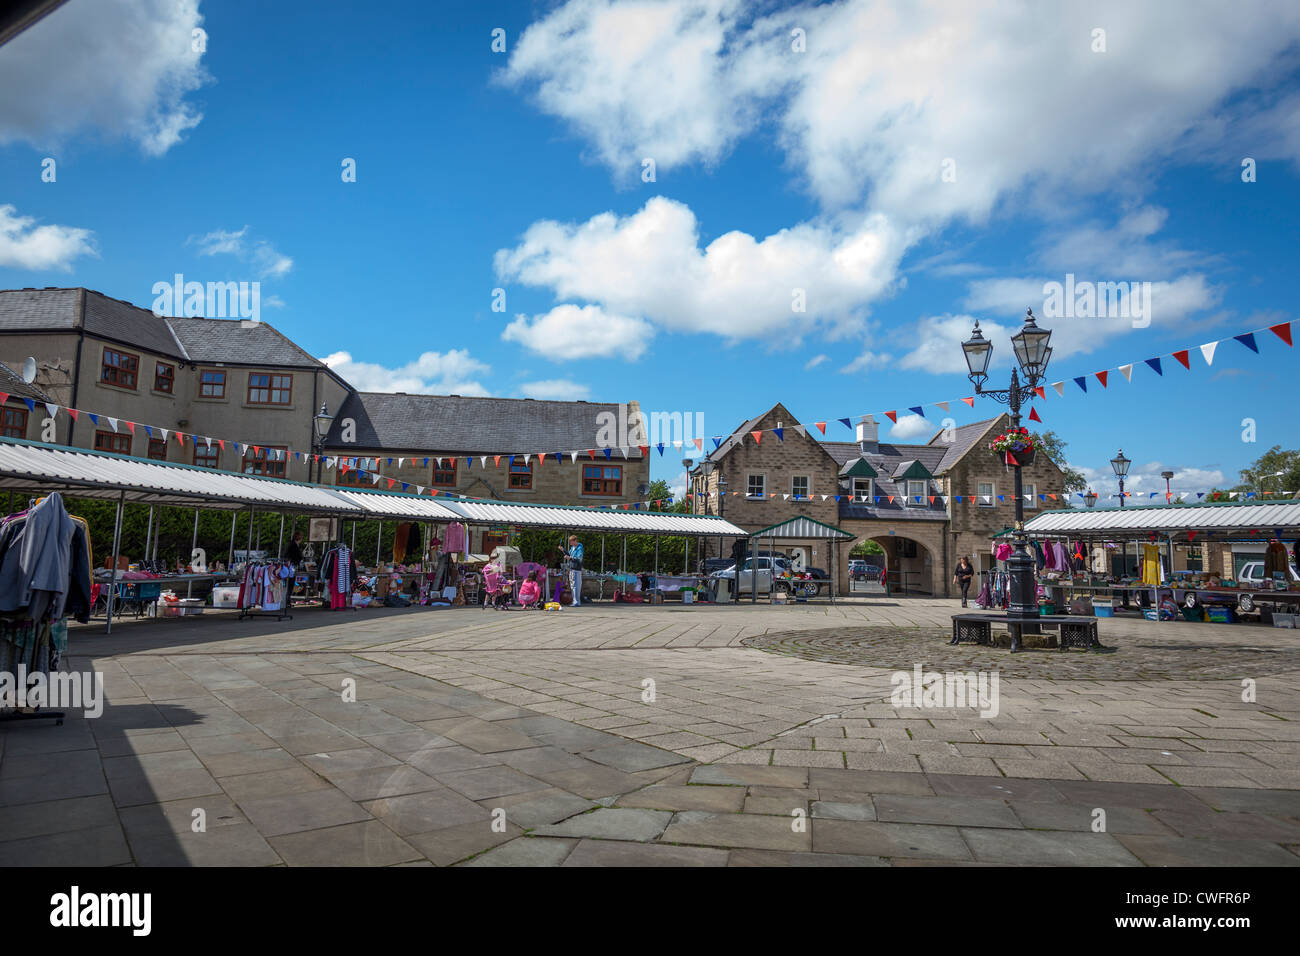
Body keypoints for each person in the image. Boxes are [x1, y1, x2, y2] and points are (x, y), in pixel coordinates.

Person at [566, 535, 584, 606]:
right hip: (572, 569)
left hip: (576, 569)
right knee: (572, 586)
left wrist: (570, 558)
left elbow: (579, 559)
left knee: (576, 586)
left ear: (575, 541)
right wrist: (563, 550)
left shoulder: (579, 548)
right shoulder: (572, 548)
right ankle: (574, 601)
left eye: (571, 542)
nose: (570, 544)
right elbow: (568, 555)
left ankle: (576, 602)